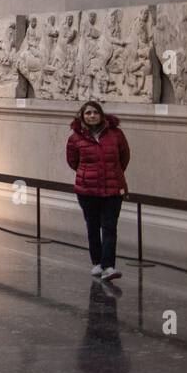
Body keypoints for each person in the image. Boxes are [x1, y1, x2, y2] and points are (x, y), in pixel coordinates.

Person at [66, 100, 130, 281]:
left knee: (109, 227)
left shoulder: (116, 134)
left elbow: (124, 157)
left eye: (95, 112)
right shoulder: (75, 138)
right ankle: (97, 263)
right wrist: (88, 174)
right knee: (93, 227)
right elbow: (73, 162)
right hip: (87, 190)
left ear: (101, 115)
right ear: (82, 116)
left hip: (112, 189)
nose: (92, 115)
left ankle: (109, 266)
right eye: (88, 113)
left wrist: (112, 174)